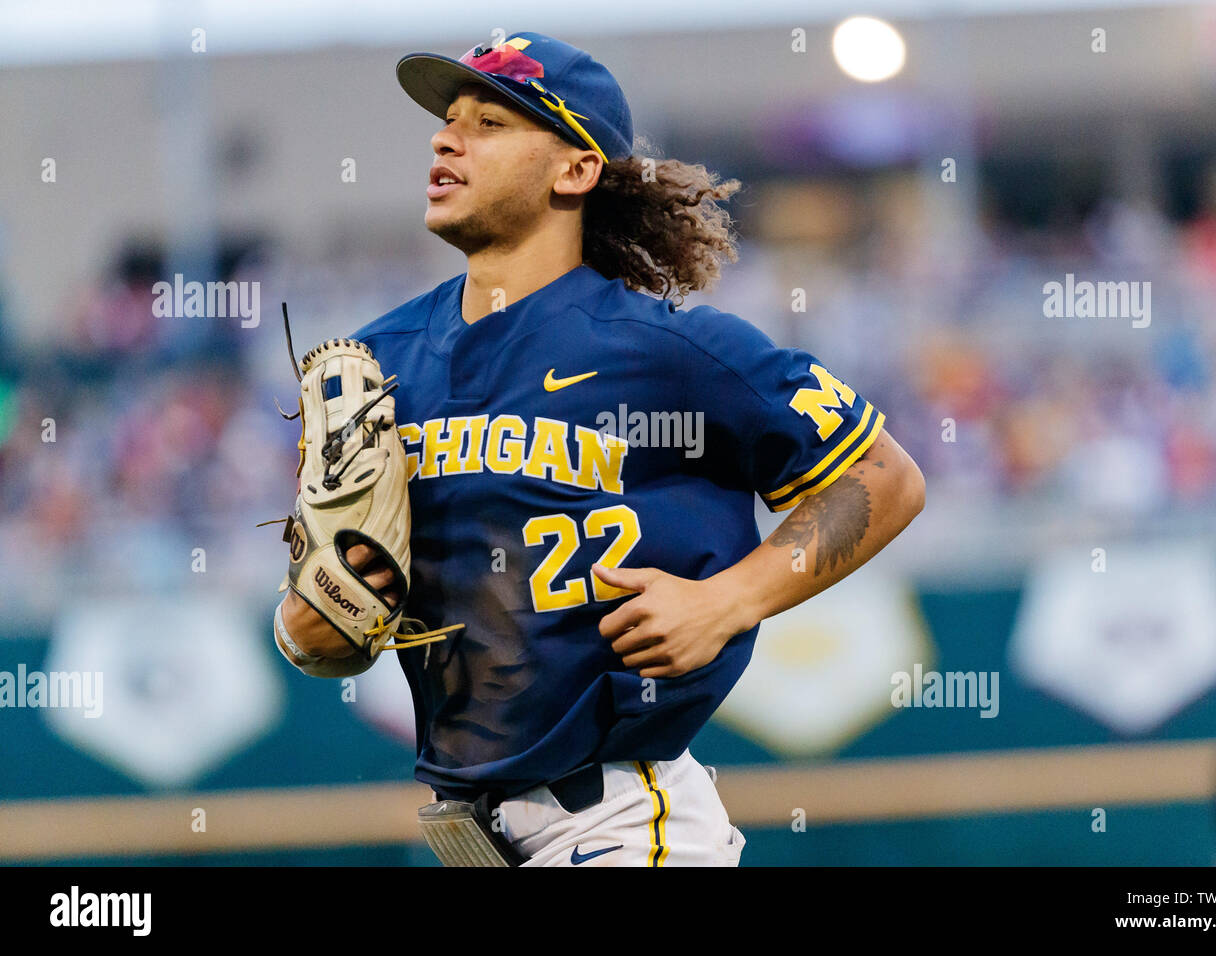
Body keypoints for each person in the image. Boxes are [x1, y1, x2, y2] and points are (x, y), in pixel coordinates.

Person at [274, 31, 925, 866]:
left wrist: (728, 600)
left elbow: (884, 477)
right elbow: (318, 618)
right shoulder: (375, 365)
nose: (446, 137)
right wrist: (308, 629)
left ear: (576, 169)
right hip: (468, 838)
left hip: (617, 819)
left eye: (491, 122)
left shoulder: (671, 351)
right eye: (448, 121)